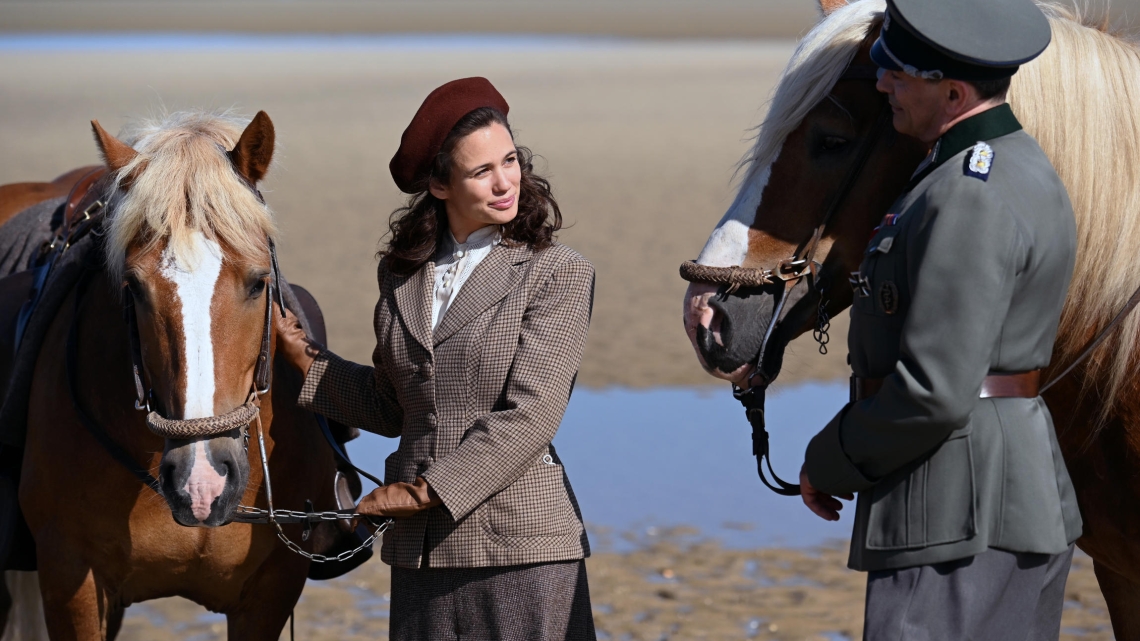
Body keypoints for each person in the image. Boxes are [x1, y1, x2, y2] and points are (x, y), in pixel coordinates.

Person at [797, 1, 1082, 639]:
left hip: (956, 511)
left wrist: (832, 457)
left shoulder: (965, 193)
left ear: (953, 94)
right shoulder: (1011, 164)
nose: (882, 84)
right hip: (998, 500)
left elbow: (934, 392)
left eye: (899, 75)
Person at [275, 77, 597, 640]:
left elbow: (531, 416)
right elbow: (393, 405)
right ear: (440, 185)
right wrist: (304, 358)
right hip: (419, 555)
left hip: (520, 547)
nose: (505, 182)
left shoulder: (557, 272)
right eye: (482, 171)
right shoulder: (401, 276)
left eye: (510, 161)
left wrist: (420, 492)